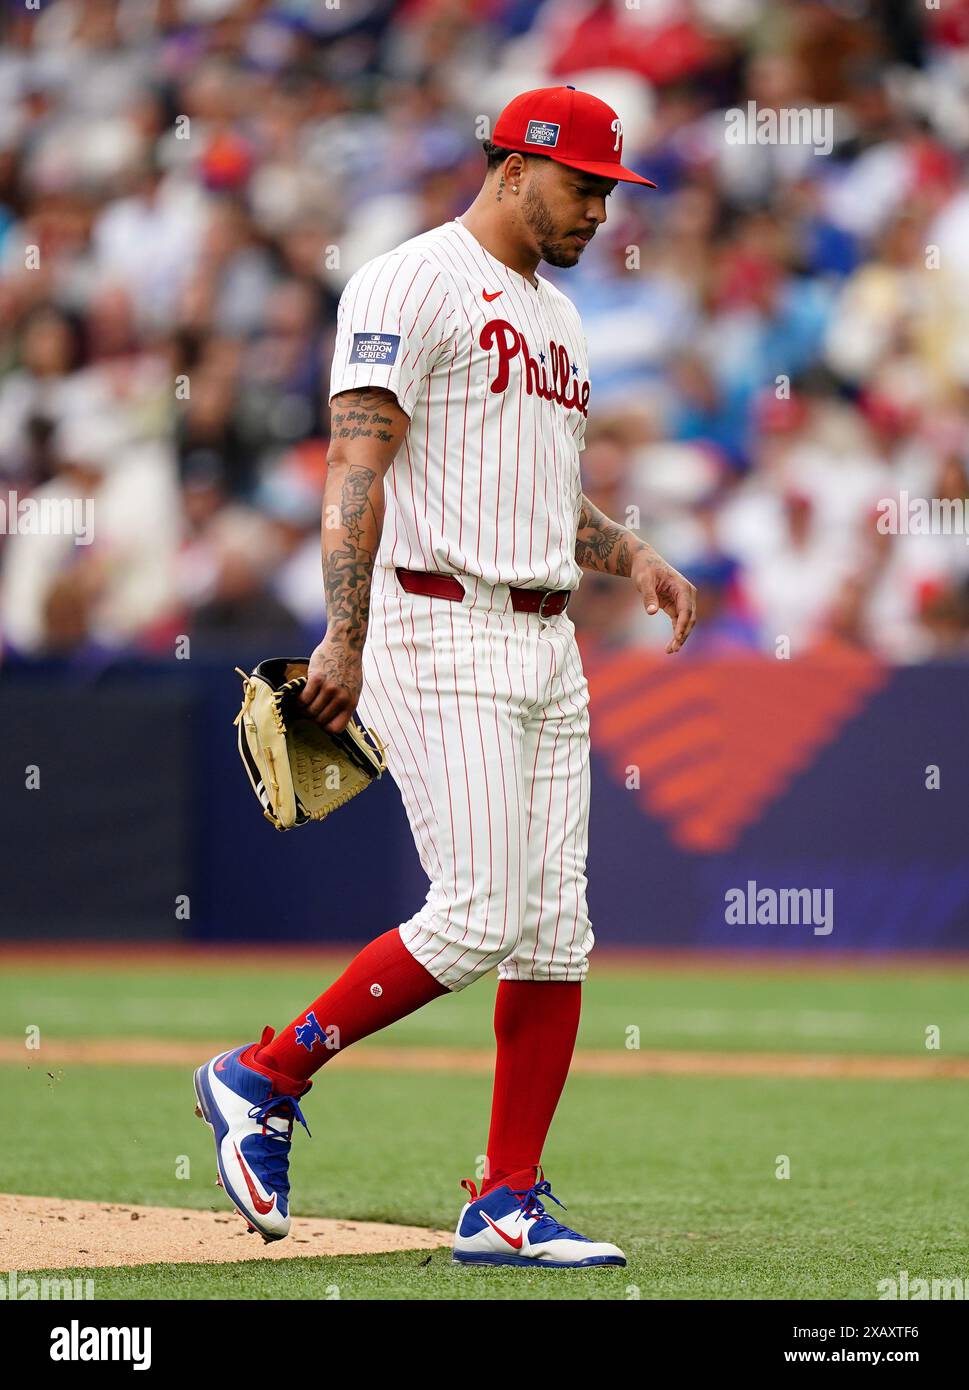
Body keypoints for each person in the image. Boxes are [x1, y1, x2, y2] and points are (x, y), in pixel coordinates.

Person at [194, 86, 696, 1269]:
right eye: (582, 186)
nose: (598, 210)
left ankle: (506, 1202)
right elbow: (357, 462)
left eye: (609, 193)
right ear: (514, 167)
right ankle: (261, 1075)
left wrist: (630, 553)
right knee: (475, 913)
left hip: (545, 636)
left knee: (556, 931)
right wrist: (344, 635)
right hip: (433, 622)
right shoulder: (407, 280)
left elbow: (535, 492)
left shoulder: (562, 319)